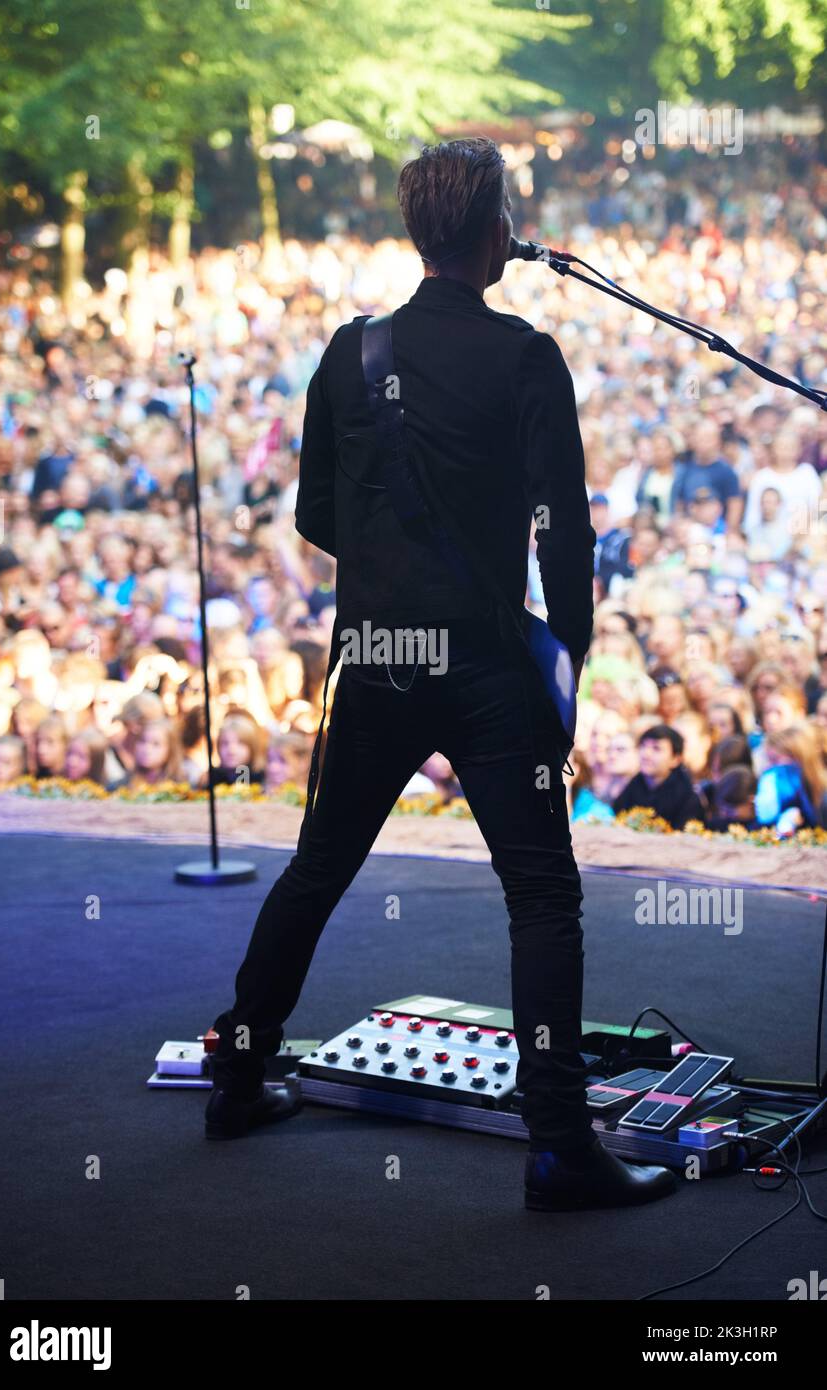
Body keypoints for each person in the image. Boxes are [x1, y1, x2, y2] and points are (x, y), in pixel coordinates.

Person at [206, 137, 676, 1212]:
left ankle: (238, 1072)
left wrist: (392, 581)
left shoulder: (348, 351)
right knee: (544, 897)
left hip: (378, 652)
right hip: (487, 662)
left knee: (317, 868)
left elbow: (316, 514)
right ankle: (559, 1142)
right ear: (492, 228)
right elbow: (565, 534)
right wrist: (568, 657)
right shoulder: (527, 357)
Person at [612, 724, 705, 829]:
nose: (646, 754)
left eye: (656, 748)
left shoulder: (687, 797)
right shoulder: (633, 787)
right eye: (643, 746)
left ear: (676, 759)